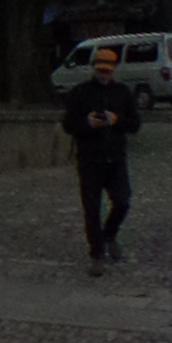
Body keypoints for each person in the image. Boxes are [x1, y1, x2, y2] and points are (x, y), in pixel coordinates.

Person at [61, 65, 149, 271]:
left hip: (115, 159)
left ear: (114, 71)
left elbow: (135, 125)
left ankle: (109, 234)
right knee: (91, 209)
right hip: (90, 160)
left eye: (108, 71)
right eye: (101, 70)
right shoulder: (80, 92)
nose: (104, 75)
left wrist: (116, 120)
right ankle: (97, 254)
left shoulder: (122, 92)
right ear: (94, 69)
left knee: (122, 200)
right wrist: (87, 123)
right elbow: (68, 125)